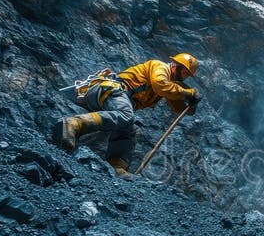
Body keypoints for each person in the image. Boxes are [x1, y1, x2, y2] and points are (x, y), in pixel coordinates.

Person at [52, 54, 202, 177]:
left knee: (129, 129)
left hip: (118, 99)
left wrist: (191, 104)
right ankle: (71, 124)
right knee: (125, 115)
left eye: (187, 75)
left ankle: (117, 167)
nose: (185, 77)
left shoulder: (170, 85)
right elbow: (160, 84)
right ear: (176, 65)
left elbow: (178, 107)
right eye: (185, 72)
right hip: (112, 90)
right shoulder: (160, 67)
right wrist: (188, 92)